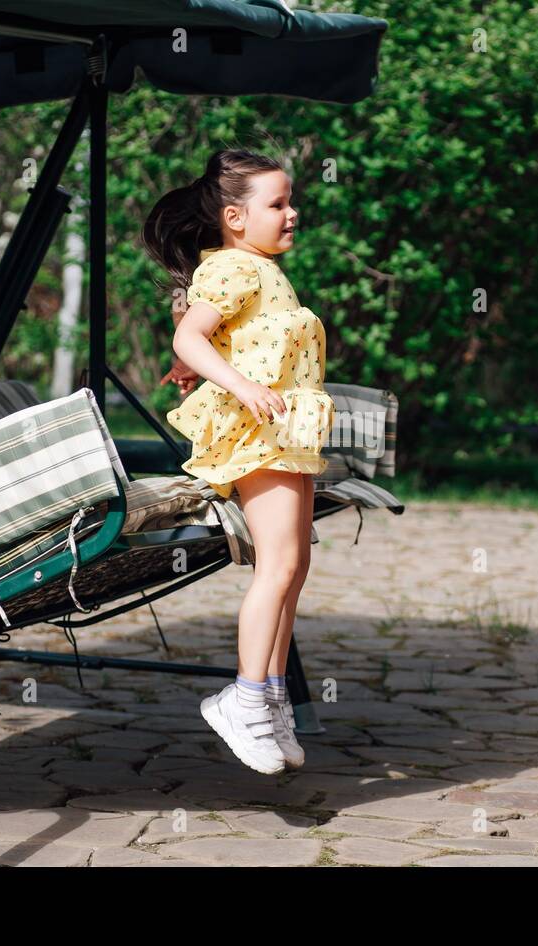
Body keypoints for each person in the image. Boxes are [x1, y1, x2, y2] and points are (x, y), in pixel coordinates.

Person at [142, 149, 336, 775]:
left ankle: (270, 697)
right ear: (234, 215)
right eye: (277, 204)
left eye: (289, 201)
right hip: (260, 431)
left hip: (285, 429)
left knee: (294, 564)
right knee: (277, 564)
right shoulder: (234, 268)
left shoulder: (257, 269)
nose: (292, 213)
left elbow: (221, 334)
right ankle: (243, 699)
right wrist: (239, 384)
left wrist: (207, 363)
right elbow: (189, 334)